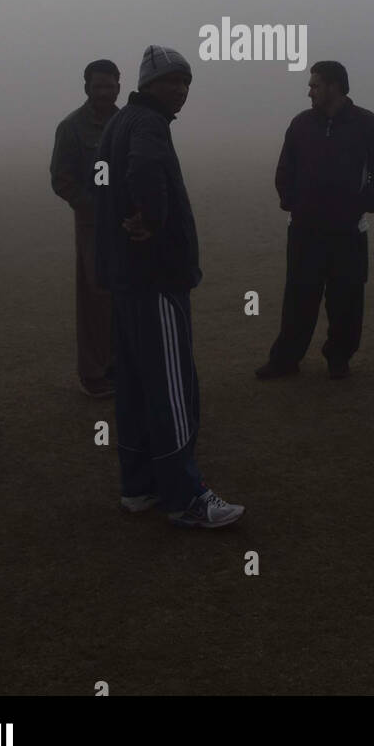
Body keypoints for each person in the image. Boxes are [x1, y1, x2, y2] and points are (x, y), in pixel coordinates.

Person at [95, 45, 244, 529]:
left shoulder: (118, 122)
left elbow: (104, 182)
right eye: (171, 81)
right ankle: (185, 497)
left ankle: (138, 486)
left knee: (137, 385)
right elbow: (143, 169)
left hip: (127, 278)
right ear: (148, 84)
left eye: (185, 82)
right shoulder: (148, 125)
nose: (180, 90)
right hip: (155, 277)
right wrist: (152, 220)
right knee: (172, 385)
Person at [256, 60, 374, 380]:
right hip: (304, 230)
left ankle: (339, 357)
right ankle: (285, 360)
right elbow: (285, 167)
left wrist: (362, 206)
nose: (309, 92)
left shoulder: (367, 124)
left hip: (349, 233)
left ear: (334, 86)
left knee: (347, 299)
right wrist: (291, 202)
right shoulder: (301, 124)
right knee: (298, 298)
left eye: (315, 85)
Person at [50, 60, 120, 397]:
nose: (105, 93)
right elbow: (62, 180)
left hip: (129, 224)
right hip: (94, 226)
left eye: (110, 86)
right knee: (96, 300)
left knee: (126, 297)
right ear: (87, 88)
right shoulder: (72, 127)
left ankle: (120, 367)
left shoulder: (127, 122)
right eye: (98, 87)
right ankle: (93, 374)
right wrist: (96, 208)